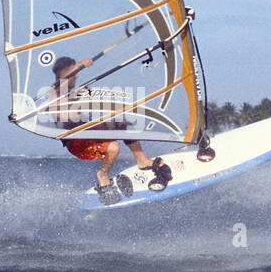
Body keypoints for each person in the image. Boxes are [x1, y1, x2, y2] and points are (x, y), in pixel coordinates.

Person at [37, 55, 171, 204]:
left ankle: (142, 160)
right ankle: (103, 176)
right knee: (113, 147)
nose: (77, 75)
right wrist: (81, 65)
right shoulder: (55, 93)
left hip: (88, 131)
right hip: (78, 142)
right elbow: (63, 91)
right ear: (65, 72)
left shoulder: (69, 90)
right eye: (74, 72)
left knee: (123, 123)